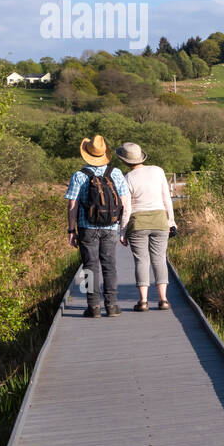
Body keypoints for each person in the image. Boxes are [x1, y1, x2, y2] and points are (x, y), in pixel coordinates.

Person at [65, 135, 131, 317]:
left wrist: (72, 230)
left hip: (87, 228)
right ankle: (111, 306)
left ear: (87, 154)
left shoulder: (79, 175)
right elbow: (125, 202)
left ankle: (93, 307)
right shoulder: (115, 173)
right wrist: (123, 227)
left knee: (89, 266)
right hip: (110, 227)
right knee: (109, 265)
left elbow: (72, 205)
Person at [116, 141, 176, 311]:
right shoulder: (158, 171)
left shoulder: (127, 178)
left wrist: (123, 231)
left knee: (141, 261)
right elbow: (166, 198)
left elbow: (126, 208)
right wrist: (171, 221)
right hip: (159, 220)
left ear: (125, 161)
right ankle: (163, 300)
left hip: (137, 223)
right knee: (159, 259)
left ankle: (143, 301)